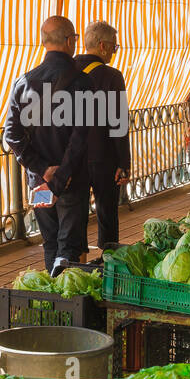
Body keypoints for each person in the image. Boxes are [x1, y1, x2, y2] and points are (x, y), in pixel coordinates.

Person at [3, 15, 91, 274]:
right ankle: (69, 302)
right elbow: (80, 137)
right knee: (69, 244)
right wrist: (61, 176)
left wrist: (42, 169)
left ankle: (52, 302)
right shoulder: (82, 82)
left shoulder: (23, 82)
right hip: (71, 181)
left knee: (50, 241)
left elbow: (11, 134)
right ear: (69, 41)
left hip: (39, 181)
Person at [72, 21, 131, 253]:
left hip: (73, 158)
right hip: (103, 157)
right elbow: (118, 123)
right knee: (107, 213)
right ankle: (108, 262)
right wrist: (123, 163)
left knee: (76, 215)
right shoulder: (111, 76)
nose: (114, 53)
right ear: (103, 46)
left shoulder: (68, 70)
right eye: (114, 48)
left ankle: (76, 262)